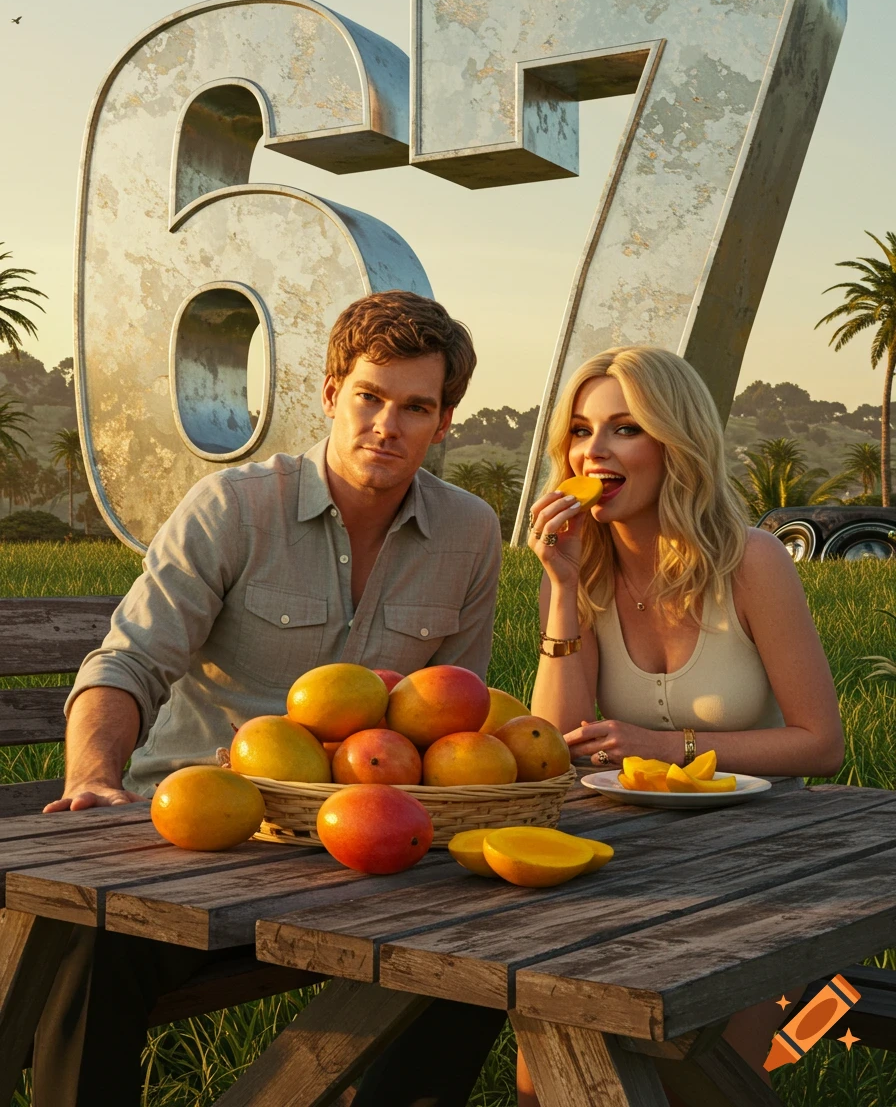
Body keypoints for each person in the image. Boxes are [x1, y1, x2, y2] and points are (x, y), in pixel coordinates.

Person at [35, 290, 507, 1107]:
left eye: (415, 407)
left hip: (372, 849)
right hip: (211, 837)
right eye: (368, 397)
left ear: (445, 421)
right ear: (331, 395)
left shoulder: (470, 533)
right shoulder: (233, 507)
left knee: (492, 959)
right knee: (92, 945)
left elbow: (455, 719)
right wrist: (91, 778)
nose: (385, 426)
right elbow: (128, 663)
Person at [517, 345, 844, 1107]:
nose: (593, 450)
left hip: (756, 867)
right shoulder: (577, 572)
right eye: (581, 430)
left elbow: (819, 744)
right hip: (619, 858)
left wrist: (669, 747)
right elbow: (549, 749)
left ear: (676, 445)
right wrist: (562, 594)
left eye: (625, 429)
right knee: (553, 1084)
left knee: (707, 1088)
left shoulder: (753, 562)